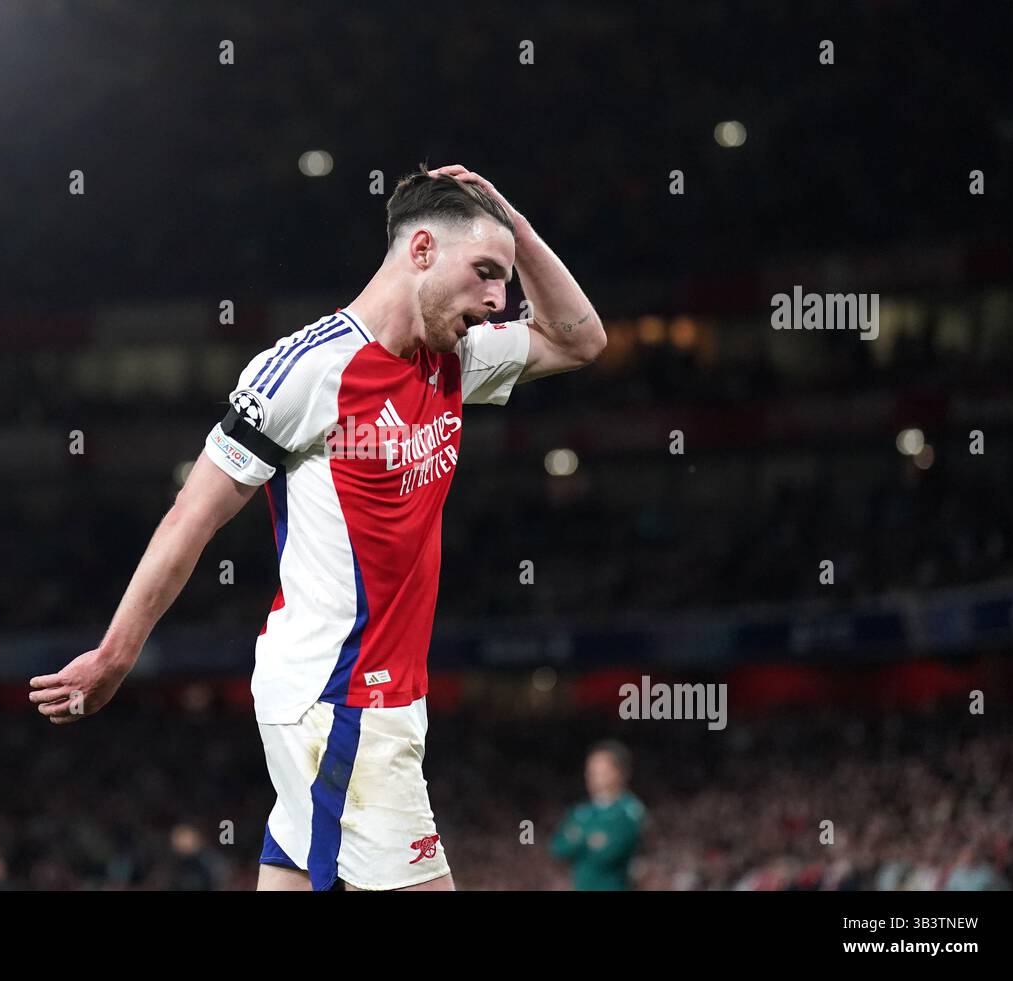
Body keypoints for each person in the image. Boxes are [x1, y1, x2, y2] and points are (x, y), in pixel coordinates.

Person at [30, 162, 606, 891]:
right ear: (422, 251)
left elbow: (581, 339)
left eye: (507, 279)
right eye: (487, 272)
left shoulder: (454, 359)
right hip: (340, 698)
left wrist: (515, 227)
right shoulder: (307, 370)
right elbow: (192, 515)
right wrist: (115, 654)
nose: (498, 301)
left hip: (378, 698)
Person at [550, 741, 645, 890]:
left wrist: (578, 837)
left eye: (601, 771)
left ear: (619, 772)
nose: (593, 776)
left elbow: (609, 853)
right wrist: (591, 839)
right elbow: (558, 848)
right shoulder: (581, 811)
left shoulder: (630, 809)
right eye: (591, 770)